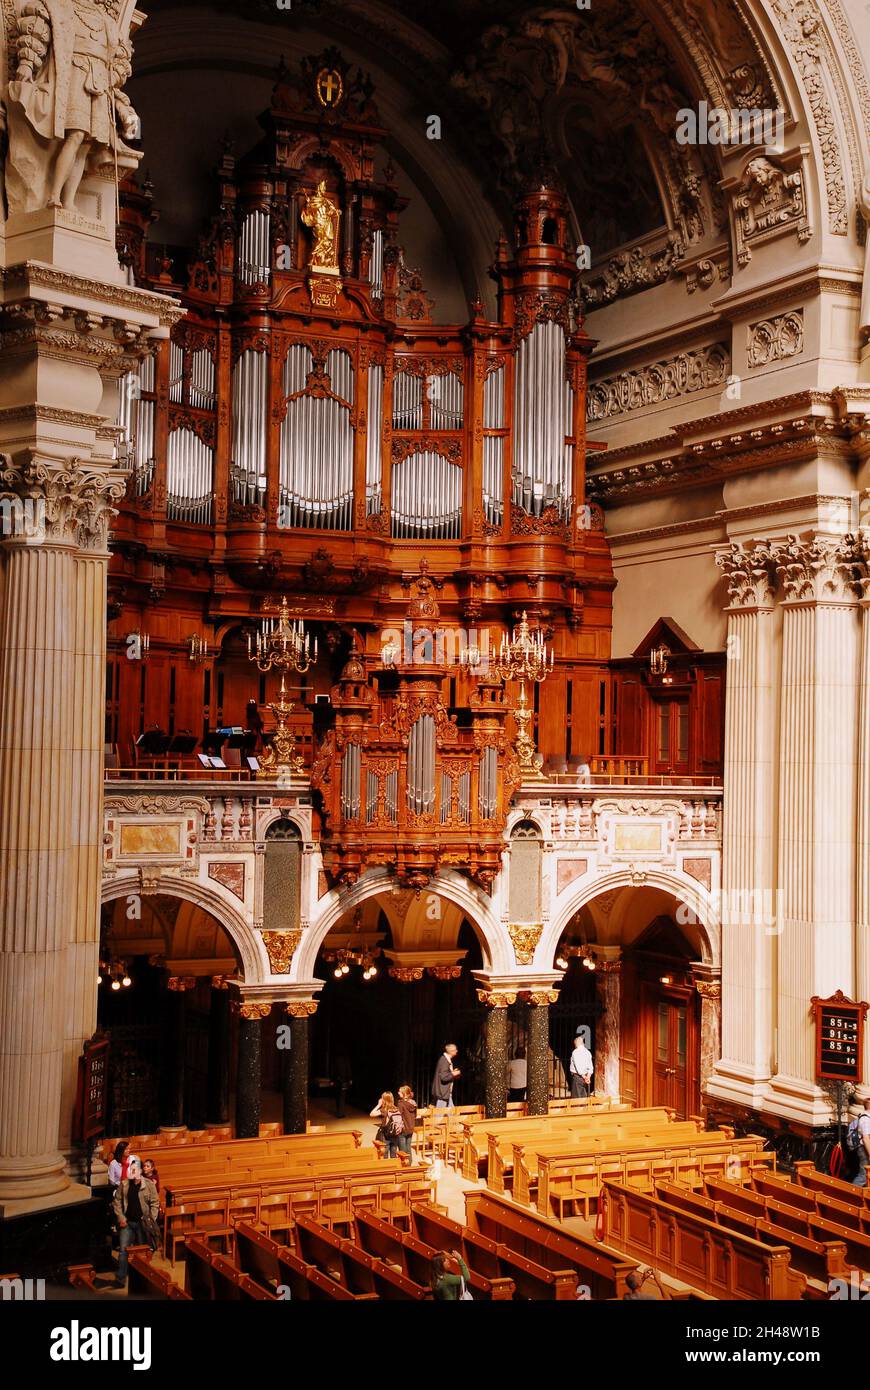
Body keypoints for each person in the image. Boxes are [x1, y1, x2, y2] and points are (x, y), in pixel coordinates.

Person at [111, 1156, 160, 1288]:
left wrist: (150, 1219)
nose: (131, 1172)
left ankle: (142, 1280)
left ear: (140, 1171)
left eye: (134, 1170)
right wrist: (121, 1218)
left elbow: (155, 1203)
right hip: (127, 1223)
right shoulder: (124, 1184)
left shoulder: (149, 1184)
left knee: (143, 1251)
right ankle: (120, 1280)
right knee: (123, 1251)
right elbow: (117, 1202)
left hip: (142, 1224)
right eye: (130, 1170)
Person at [370, 1091, 403, 1159]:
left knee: (385, 1154)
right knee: (393, 1154)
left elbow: (371, 1114)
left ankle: (386, 1165)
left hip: (386, 1135)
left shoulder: (384, 1110)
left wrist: (379, 1104)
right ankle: (394, 1165)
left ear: (383, 1100)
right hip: (395, 1134)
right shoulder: (396, 1109)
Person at [432, 1043, 461, 1110]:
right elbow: (444, 1077)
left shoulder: (445, 1060)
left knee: (451, 1113)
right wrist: (454, 1074)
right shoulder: (444, 1061)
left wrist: (452, 1072)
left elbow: (444, 1073)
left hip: (445, 1093)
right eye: (455, 1050)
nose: (457, 1051)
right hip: (443, 1093)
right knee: (439, 1114)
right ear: (451, 1051)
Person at [850, 1095, 870, 1187]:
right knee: (863, 1176)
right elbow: (865, 1138)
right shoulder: (865, 1119)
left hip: (866, 1148)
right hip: (864, 1149)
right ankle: (852, 1192)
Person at [569, 1032, 594, 1098]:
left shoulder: (575, 1052)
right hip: (585, 1077)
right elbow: (590, 1067)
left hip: (578, 1077)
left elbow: (578, 1068)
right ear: (583, 1043)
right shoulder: (587, 1052)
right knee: (583, 1097)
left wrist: (585, 1077)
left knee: (577, 1099)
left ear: (576, 1044)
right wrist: (588, 1076)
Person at [397, 1084, 417, 1159]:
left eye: (399, 1092)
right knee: (408, 1147)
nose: (398, 1093)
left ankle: (403, 1164)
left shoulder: (401, 1104)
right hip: (411, 1128)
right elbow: (415, 1115)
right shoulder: (413, 1104)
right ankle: (409, 1163)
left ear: (404, 1094)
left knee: (402, 1150)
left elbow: (398, 1117)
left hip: (403, 1129)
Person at [333, 1052, 352, 1118]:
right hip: (344, 1081)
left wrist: (333, 1080)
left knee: (338, 1097)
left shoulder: (336, 1060)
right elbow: (348, 1070)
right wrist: (350, 1079)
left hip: (337, 1081)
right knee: (342, 1097)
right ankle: (340, 1113)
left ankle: (338, 1112)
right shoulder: (346, 1060)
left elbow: (334, 1071)